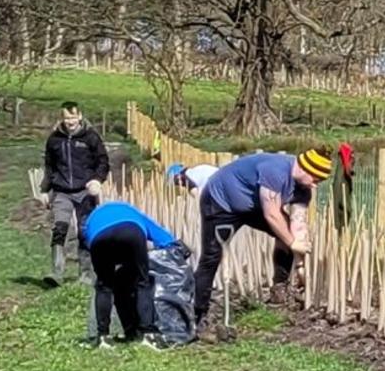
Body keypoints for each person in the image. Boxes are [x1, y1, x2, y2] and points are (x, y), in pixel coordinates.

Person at [193, 148, 331, 335]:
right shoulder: (276, 171)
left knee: (286, 235)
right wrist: (291, 242)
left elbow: (297, 226)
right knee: (211, 258)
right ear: (305, 169)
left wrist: (300, 266)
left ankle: (279, 291)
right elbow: (272, 214)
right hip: (220, 203)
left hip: (253, 205)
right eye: (315, 180)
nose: (315, 186)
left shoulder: (304, 190)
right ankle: (197, 314)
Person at [83, 201, 178, 350]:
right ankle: (148, 334)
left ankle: (103, 337)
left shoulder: (91, 218)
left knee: (104, 287)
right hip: (131, 232)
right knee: (142, 283)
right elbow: (164, 238)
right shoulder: (131, 212)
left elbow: (87, 242)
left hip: (99, 238)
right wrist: (175, 247)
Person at [40, 101, 109, 286]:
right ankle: (56, 273)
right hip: (62, 191)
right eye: (66, 117)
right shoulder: (54, 139)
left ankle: (85, 274)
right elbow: (49, 166)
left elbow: (103, 162)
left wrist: (97, 180)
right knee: (59, 229)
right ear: (61, 118)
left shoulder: (91, 138)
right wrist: (45, 190)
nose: (69, 121)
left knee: (84, 231)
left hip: (84, 191)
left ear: (79, 116)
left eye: (72, 117)